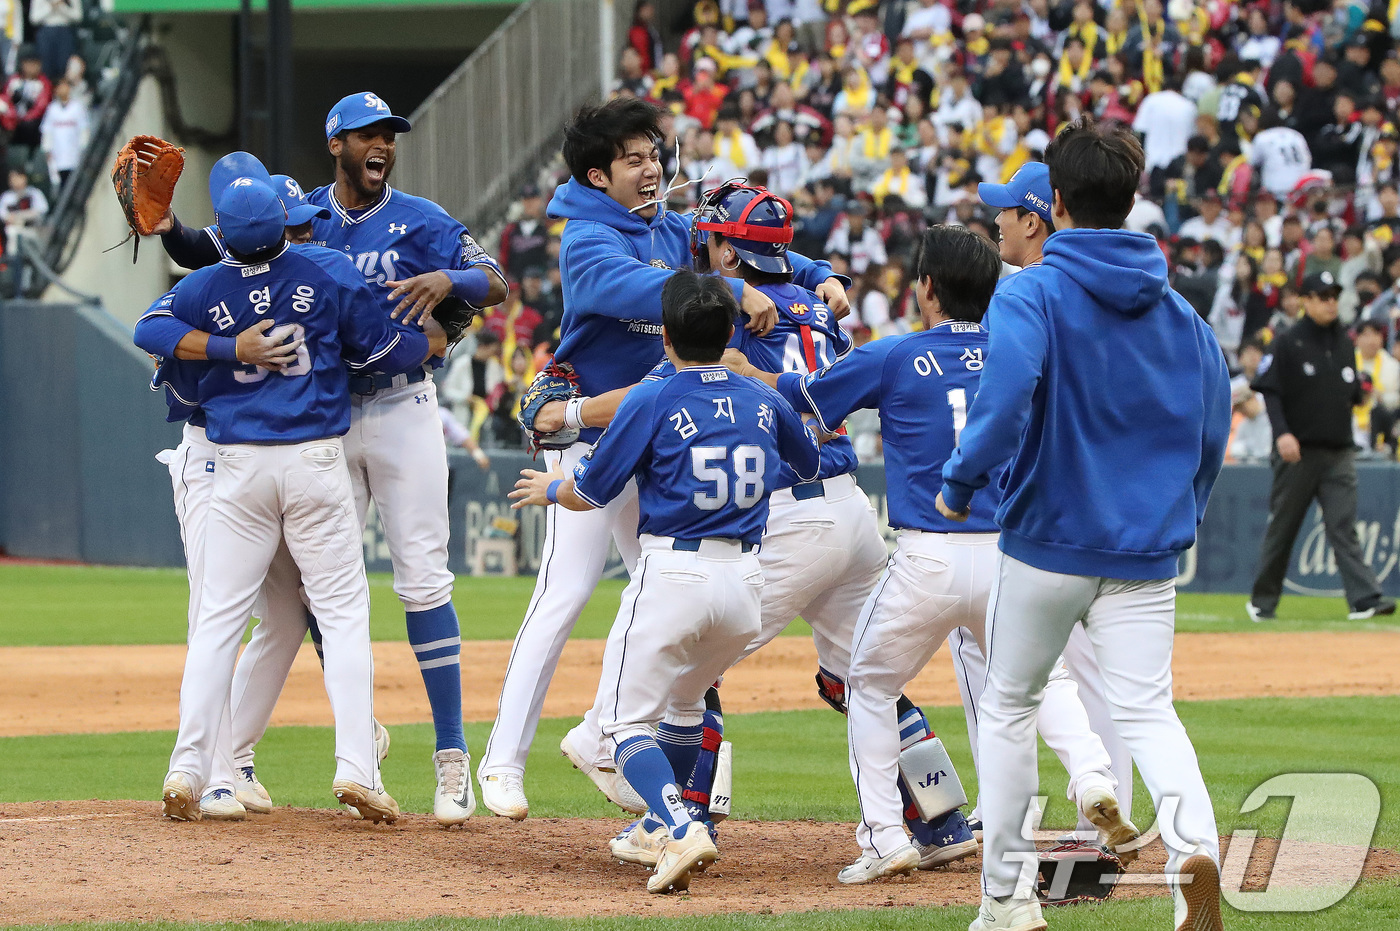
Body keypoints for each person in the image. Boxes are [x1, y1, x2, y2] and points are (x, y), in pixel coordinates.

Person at [475, 97, 847, 820]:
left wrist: (816, 271)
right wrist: (725, 288)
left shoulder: (674, 228)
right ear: (597, 173)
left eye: (655, 153)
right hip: (588, 431)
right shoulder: (586, 237)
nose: (652, 167)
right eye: (634, 158)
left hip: (656, 429)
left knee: (669, 586)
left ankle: (614, 742)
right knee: (563, 593)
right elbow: (625, 288)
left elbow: (738, 245)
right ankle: (502, 761)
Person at [936, 117, 1230, 931]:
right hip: (1145, 550)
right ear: (1130, 198)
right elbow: (1214, 426)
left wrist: (962, 483)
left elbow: (1003, 404)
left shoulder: (1029, 289)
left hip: (1045, 542)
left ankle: (1007, 901)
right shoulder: (1181, 313)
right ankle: (1192, 853)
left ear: (1055, 201)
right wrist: (1186, 511)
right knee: (1147, 711)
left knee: (1009, 707)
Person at [509, 270, 821, 893]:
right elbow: (809, 459)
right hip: (745, 584)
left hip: (675, 571)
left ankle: (681, 826)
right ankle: (661, 819)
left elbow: (590, 492)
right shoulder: (762, 397)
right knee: (684, 703)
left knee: (623, 725)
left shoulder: (651, 397)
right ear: (731, 332)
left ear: (666, 340)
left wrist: (549, 489)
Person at [146, 177, 444, 824]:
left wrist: (226, 346)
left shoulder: (202, 287)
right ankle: (357, 765)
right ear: (284, 225)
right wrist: (431, 342)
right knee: (340, 617)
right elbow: (381, 347)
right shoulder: (326, 269)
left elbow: (150, 327)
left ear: (221, 232)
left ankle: (189, 766)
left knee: (218, 621)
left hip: (239, 468)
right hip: (314, 460)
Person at [266, 91, 508, 826]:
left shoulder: (422, 219)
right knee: (316, 582)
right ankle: (358, 730)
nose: (383, 145)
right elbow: (231, 253)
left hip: (404, 407)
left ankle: (451, 754)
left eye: (389, 135)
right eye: (367, 135)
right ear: (334, 141)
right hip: (329, 416)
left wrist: (450, 281)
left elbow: (493, 280)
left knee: (424, 581)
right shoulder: (300, 214)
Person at [1247, 272, 1398, 622]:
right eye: (1323, 295)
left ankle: (1364, 599)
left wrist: (1360, 391)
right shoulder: (1287, 341)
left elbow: (1347, 391)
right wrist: (1282, 433)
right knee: (1284, 527)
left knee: (1343, 526)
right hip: (1298, 450)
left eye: (1334, 295)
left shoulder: (1345, 342)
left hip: (1339, 451)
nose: (1331, 302)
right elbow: (1269, 389)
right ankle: (1262, 601)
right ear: (1307, 300)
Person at [38, 76, 86, 192]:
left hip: (75, 153)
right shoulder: (52, 109)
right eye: (59, 87)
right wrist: (47, 150)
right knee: (59, 185)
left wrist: (83, 148)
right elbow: (47, 131)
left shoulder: (78, 107)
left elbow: (84, 130)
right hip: (57, 154)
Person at [0, 168, 47, 254]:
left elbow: (41, 211)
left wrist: (20, 216)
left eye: (16, 177)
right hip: (15, 229)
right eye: (11, 179)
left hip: (34, 230)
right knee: (12, 230)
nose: (13, 181)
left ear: (24, 178)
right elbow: (3, 215)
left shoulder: (34, 193)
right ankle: (14, 262)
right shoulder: (6, 196)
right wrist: (14, 219)